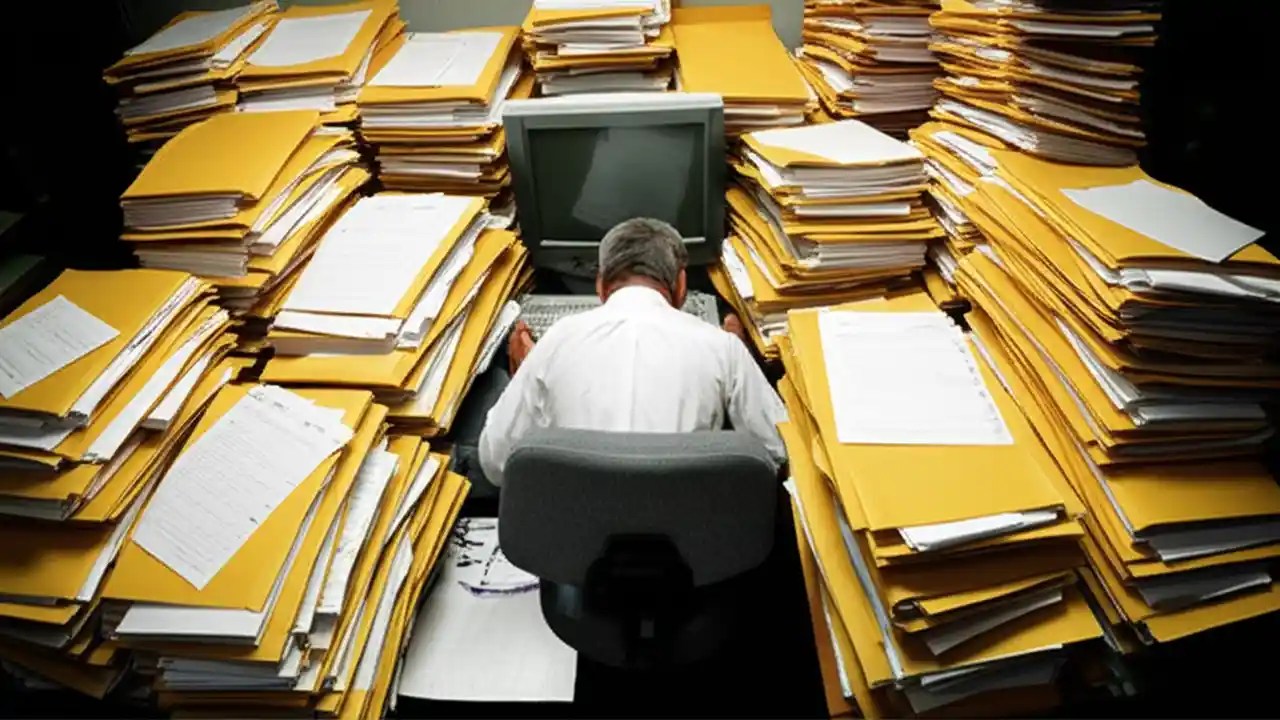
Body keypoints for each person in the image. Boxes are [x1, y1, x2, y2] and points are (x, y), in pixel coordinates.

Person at [478, 217, 788, 486]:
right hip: (691, 541)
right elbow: (776, 453)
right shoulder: (723, 347)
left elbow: (496, 463)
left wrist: (527, 374)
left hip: (574, 541)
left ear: (601, 286)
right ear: (681, 285)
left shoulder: (556, 341)